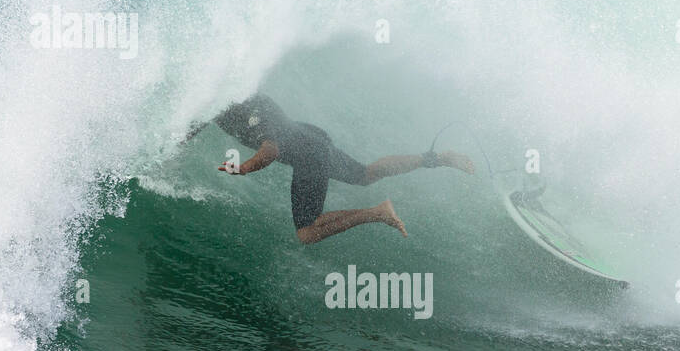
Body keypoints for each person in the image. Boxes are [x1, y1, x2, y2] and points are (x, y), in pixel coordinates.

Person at [189, 93, 474, 245]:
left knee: (307, 232)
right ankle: (437, 158)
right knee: (366, 174)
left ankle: (377, 213)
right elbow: (198, 117)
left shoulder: (252, 115)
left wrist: (243, 168)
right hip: (314, 139)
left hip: (309, 157)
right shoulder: (241, 96)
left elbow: (271, 150)